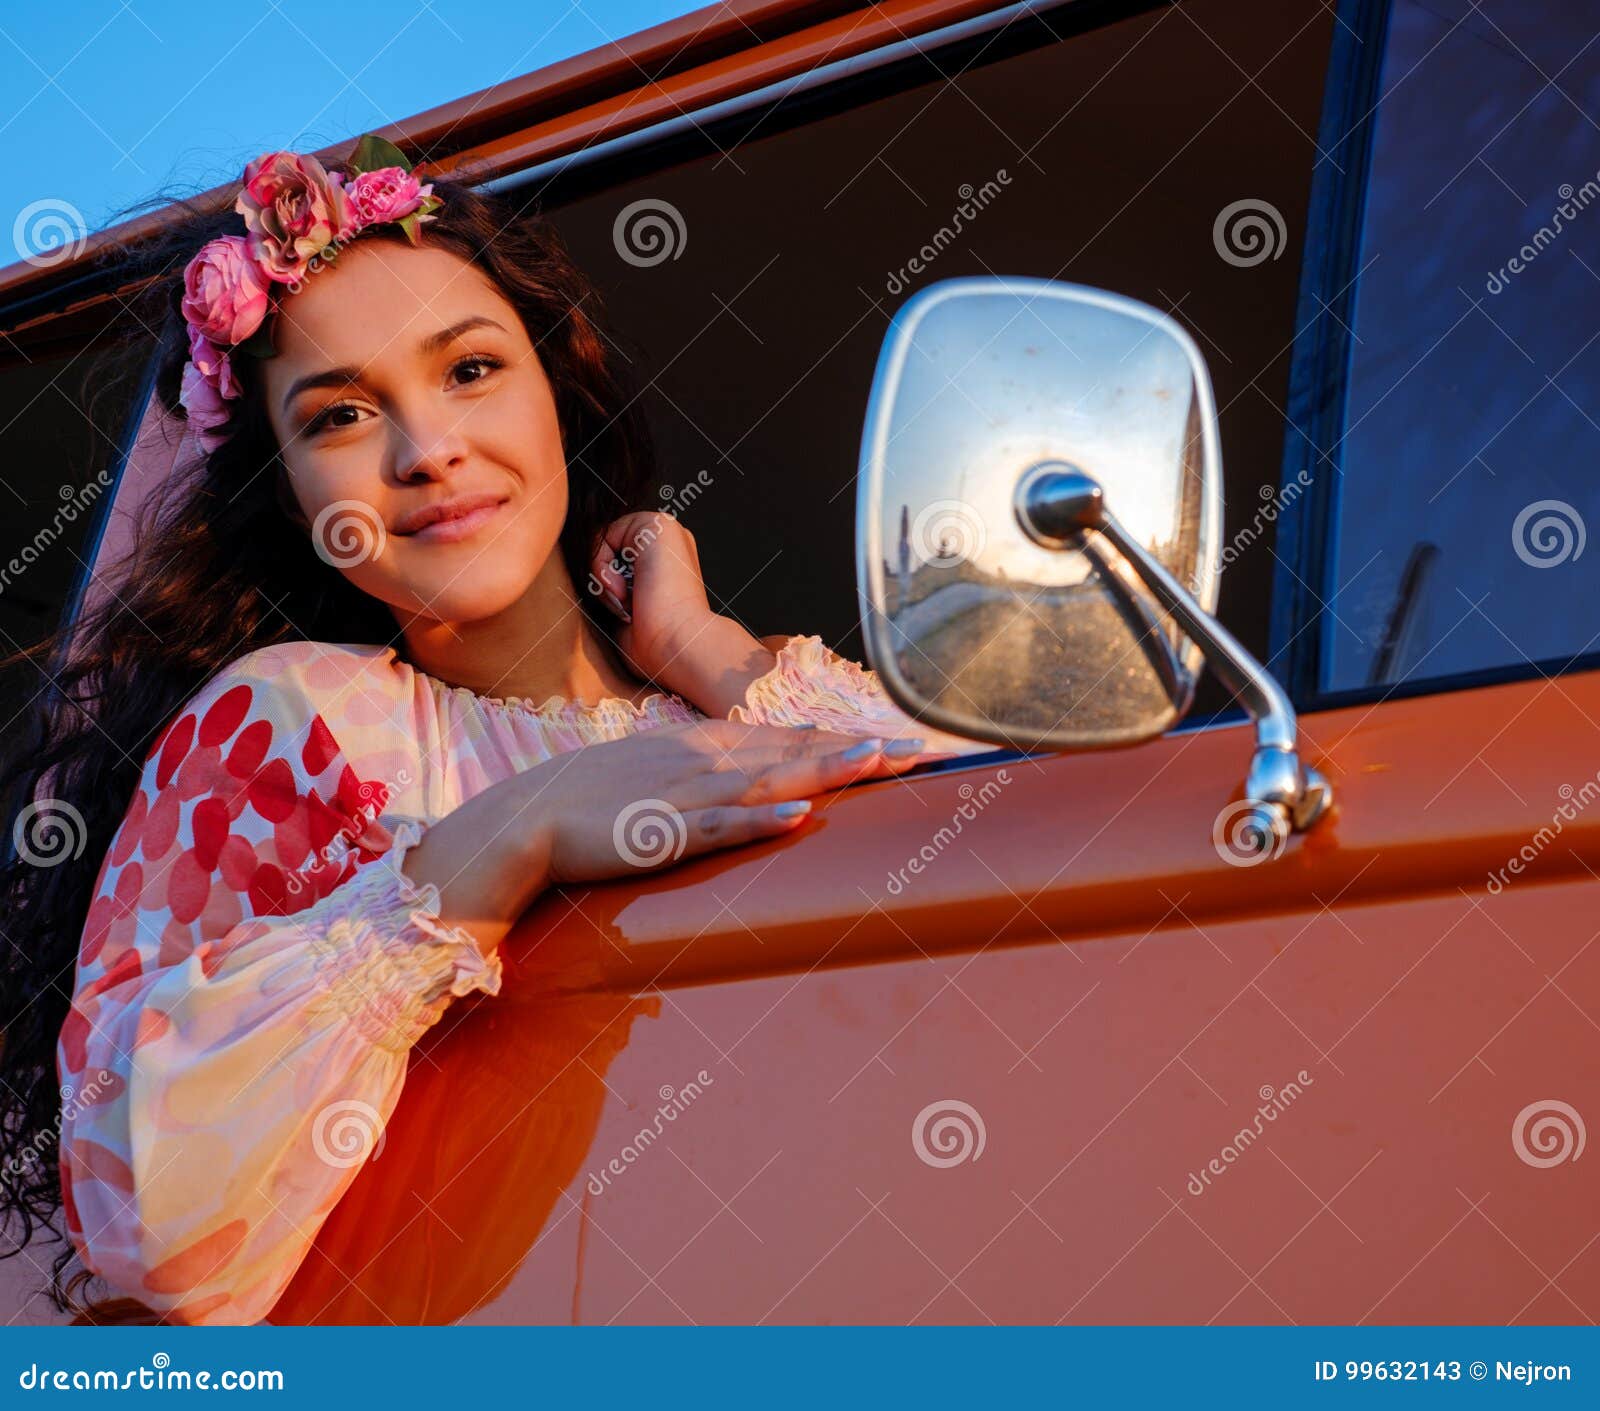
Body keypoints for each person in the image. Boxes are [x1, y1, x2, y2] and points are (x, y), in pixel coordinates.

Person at [0, 136, 982, 1325]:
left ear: (554, 388)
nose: (429, 452)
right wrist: (505, 836)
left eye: (469, 369)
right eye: (341, 415)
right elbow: (147, 1217)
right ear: (293, 494)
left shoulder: (744, 688)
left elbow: (998, 846)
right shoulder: (293, 721)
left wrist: (701, 647)